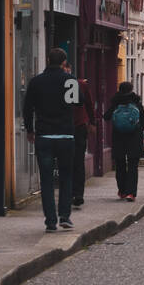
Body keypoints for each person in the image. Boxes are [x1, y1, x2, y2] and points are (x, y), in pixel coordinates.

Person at [24, 47, 76, 232]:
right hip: (65, 135)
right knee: (66, 177)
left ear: (47, 60)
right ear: (64, 62)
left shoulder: (36, 82)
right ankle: (65, 216)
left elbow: (27, 108)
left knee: (46, 180)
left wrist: (30, 129)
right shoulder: (70, 81)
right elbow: (76, 103)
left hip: (44, 135)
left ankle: (50, 221)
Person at [104, 81, 144, 202]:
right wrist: (137, 129)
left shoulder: (116, 102)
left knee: (120, 165)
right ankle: (131, 193)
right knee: (133, 165)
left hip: (119, 137)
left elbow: (106, 116)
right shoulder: (136, 102)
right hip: (134, 137)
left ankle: (122, 191)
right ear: (131, 89)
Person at [62, 61, 94, 208]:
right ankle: (70, 193)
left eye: (67, 69)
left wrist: (92, 122)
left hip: (78, 126)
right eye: (63, 68)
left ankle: (77, 194)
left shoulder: (80, 84)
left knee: (77, 161)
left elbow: (88, 104)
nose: (65, 71)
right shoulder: (78, 84)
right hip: (65, 127)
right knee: (68, 162)